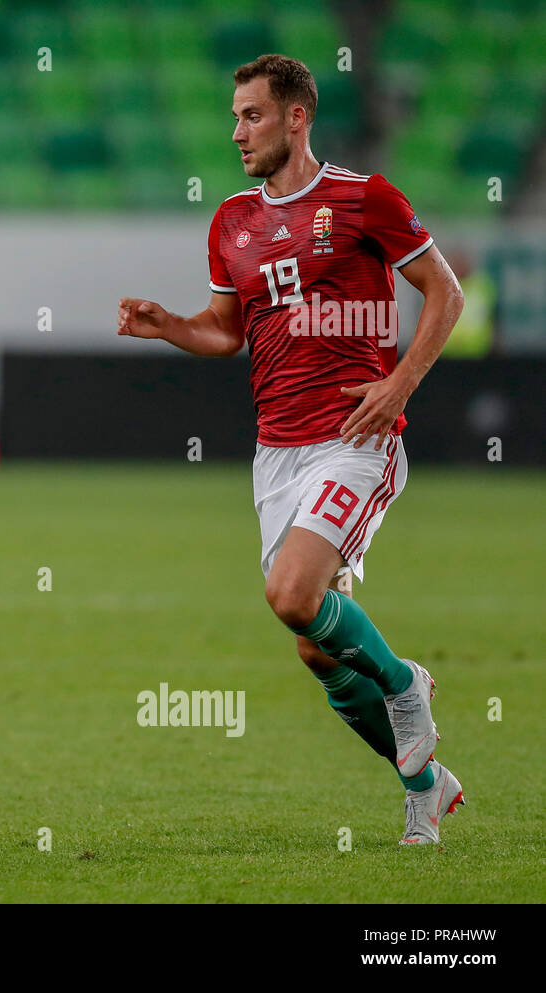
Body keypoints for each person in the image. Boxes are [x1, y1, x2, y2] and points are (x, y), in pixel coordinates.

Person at [117, 55, 467, 845]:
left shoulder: (364, 198)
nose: (237, 131)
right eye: (235, 116)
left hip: (354, 439)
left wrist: (400, 384)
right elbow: (227, 331)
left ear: (297, 117)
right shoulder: (232, 220)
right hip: (275, 453)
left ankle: (405, 683)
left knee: (290, 593)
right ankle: (423, 786)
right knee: (314, 645)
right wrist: (170, 324)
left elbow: (445, 291)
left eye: (252, 115)